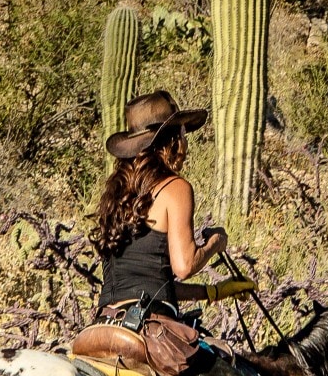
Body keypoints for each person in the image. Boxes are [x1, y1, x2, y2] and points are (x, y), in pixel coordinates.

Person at [92, 91, 233, 316]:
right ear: (172, 141)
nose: (186, 144)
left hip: (105, 320)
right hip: (150, 321)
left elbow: (153, 288)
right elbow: (185, 266)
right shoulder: (175, 188)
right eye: (183, 134)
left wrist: (212, 292)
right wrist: (216, 242)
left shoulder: (116, 194)